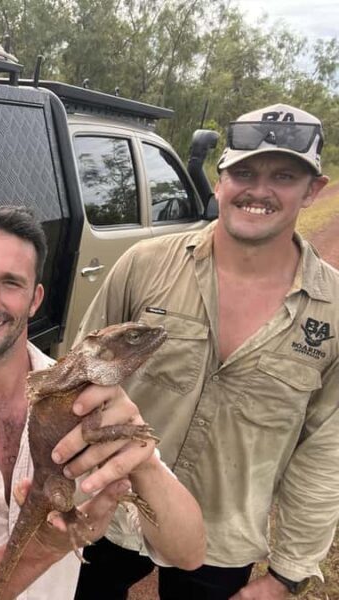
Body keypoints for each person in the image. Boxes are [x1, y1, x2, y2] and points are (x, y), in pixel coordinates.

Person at [0, 201, 205, 600]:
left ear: (35, 298)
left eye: (11, 283)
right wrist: (49, 545)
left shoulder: (88, 398)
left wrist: (143, 459)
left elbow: (189, 553)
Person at [73, 103, 336, 600]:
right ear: (220, 181)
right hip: (111, 508)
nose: (259, 190)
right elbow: (78, 379)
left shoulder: (333, 315)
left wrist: (286, 575)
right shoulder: (143, 266)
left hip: (222, 539)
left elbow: (325, 454)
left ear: (312, 191)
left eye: (283, 175)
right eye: (244, 172)